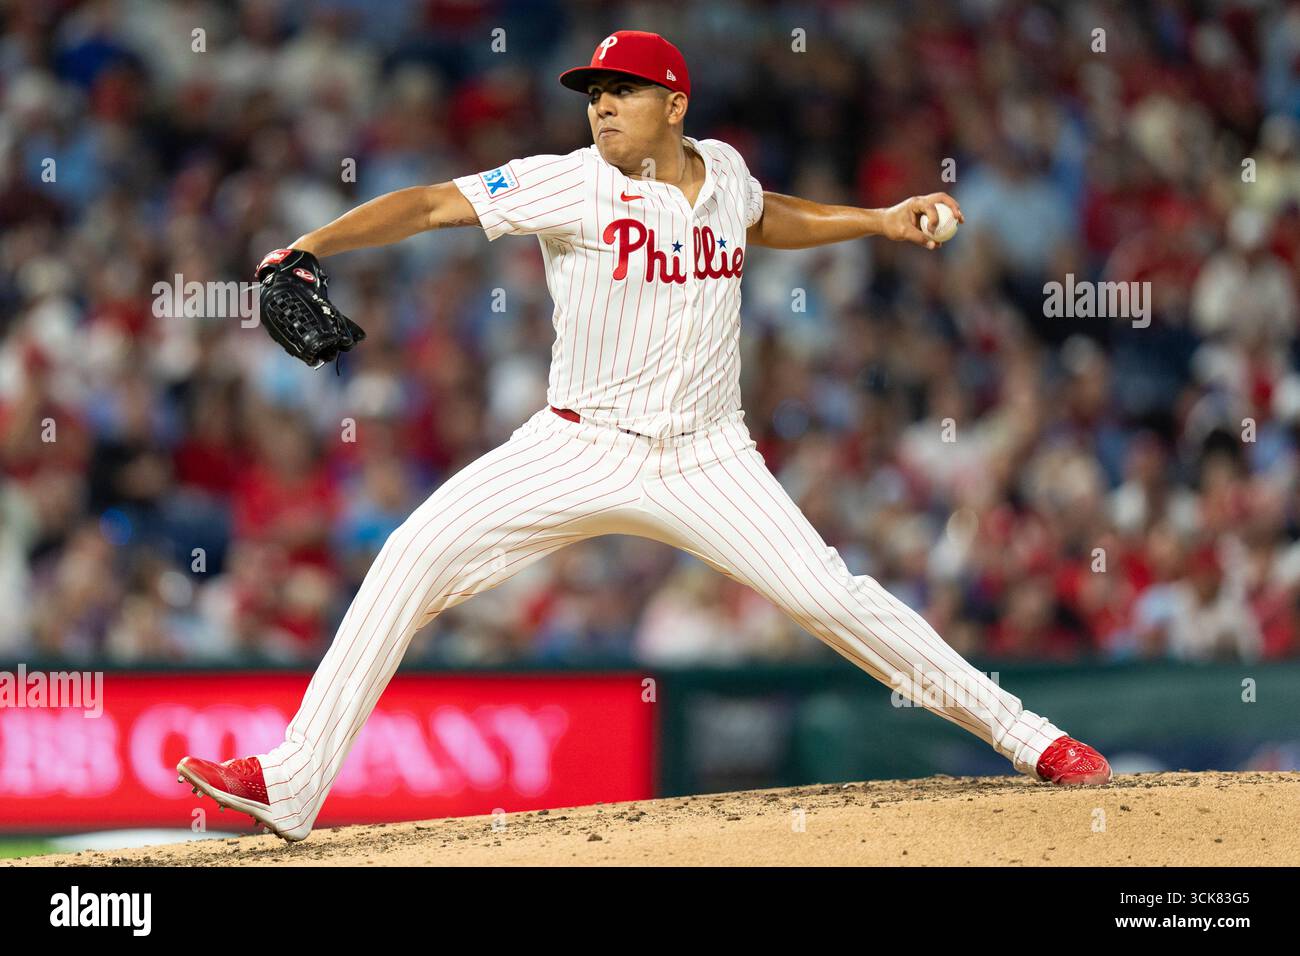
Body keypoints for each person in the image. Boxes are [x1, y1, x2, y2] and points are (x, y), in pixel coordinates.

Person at [177, 30, 1111, 842]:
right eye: (593, 94)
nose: (602, 108)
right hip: (574, 445)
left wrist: (875, 220)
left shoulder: (727, 171)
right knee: (411, 553)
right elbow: (428, 205)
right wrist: (309, 248)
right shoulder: (566, 185)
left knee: (835, 598)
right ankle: (295, 781)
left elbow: (764, 215)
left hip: (708, 453)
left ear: (675, 104)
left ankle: (1035, 739)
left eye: (621, 92)